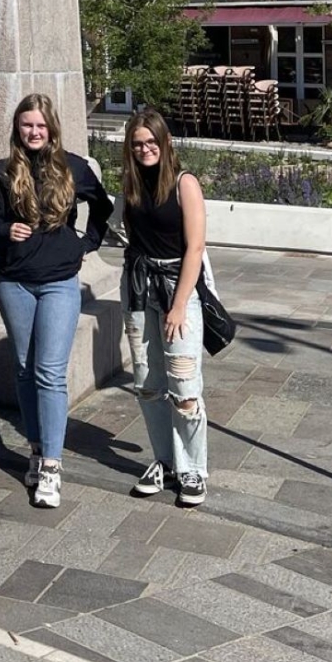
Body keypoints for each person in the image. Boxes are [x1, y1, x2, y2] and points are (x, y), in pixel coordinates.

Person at [0, 94, 112, 511]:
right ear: (17, 129)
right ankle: (36, 449)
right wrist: (6, 230)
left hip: (58, 282)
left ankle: (52, 465)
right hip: (14, 283)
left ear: (52, 127)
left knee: (50, 373)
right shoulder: (0, 172)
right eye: (26, 125)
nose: (33, 132)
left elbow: (104, 208)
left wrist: (85, 243)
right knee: (24, 368)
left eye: (40, 125)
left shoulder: (75, 168)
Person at [120, 108, 209, 509]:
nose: (145, 149)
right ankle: (164, 460)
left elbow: (195, 248)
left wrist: (178, 307)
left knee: (183, 383)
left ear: (165, 142)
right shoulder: (132, 183)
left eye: (151, 142)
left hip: (177, 287)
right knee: (148, 381)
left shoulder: (184, 183)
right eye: (138, 143)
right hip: (139, 286)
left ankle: (193, 467)